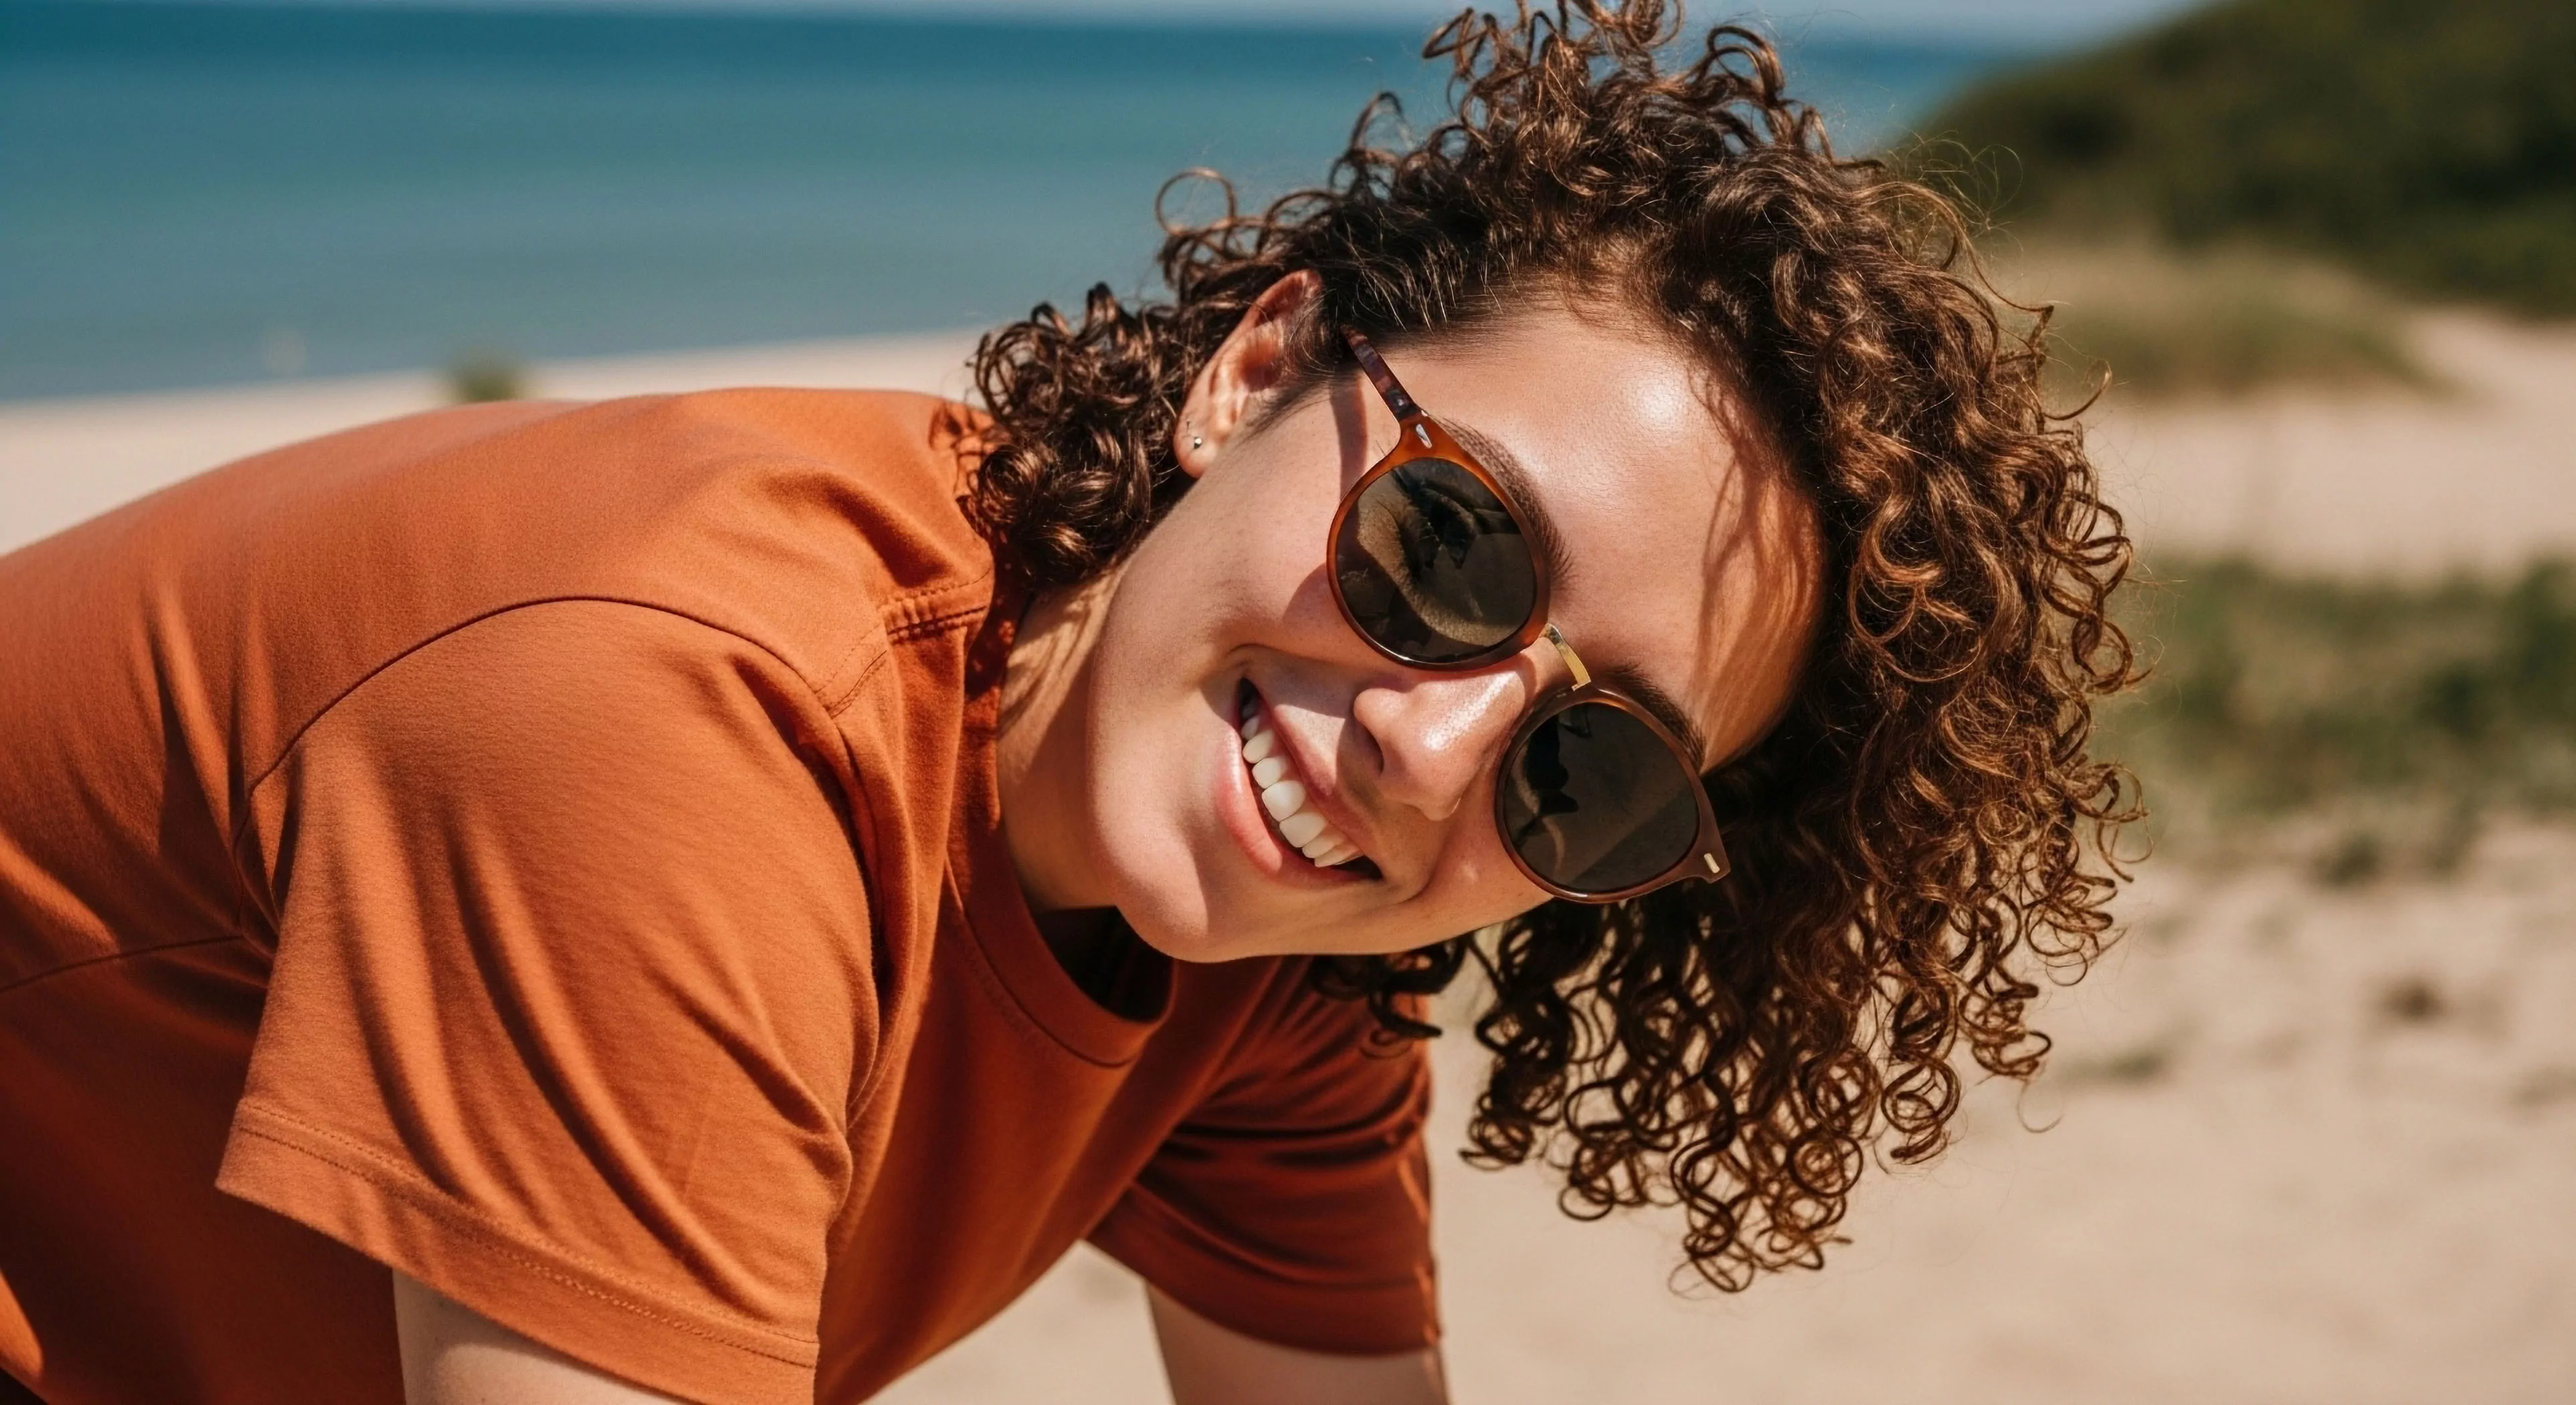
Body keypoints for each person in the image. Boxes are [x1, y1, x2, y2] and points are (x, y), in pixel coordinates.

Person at [0, 4, 2136, 1402]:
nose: (1427, 746)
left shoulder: (1269, 939)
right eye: (1452, 550)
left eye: (1590, 768)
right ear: (1261, 370)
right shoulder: (680, 710)